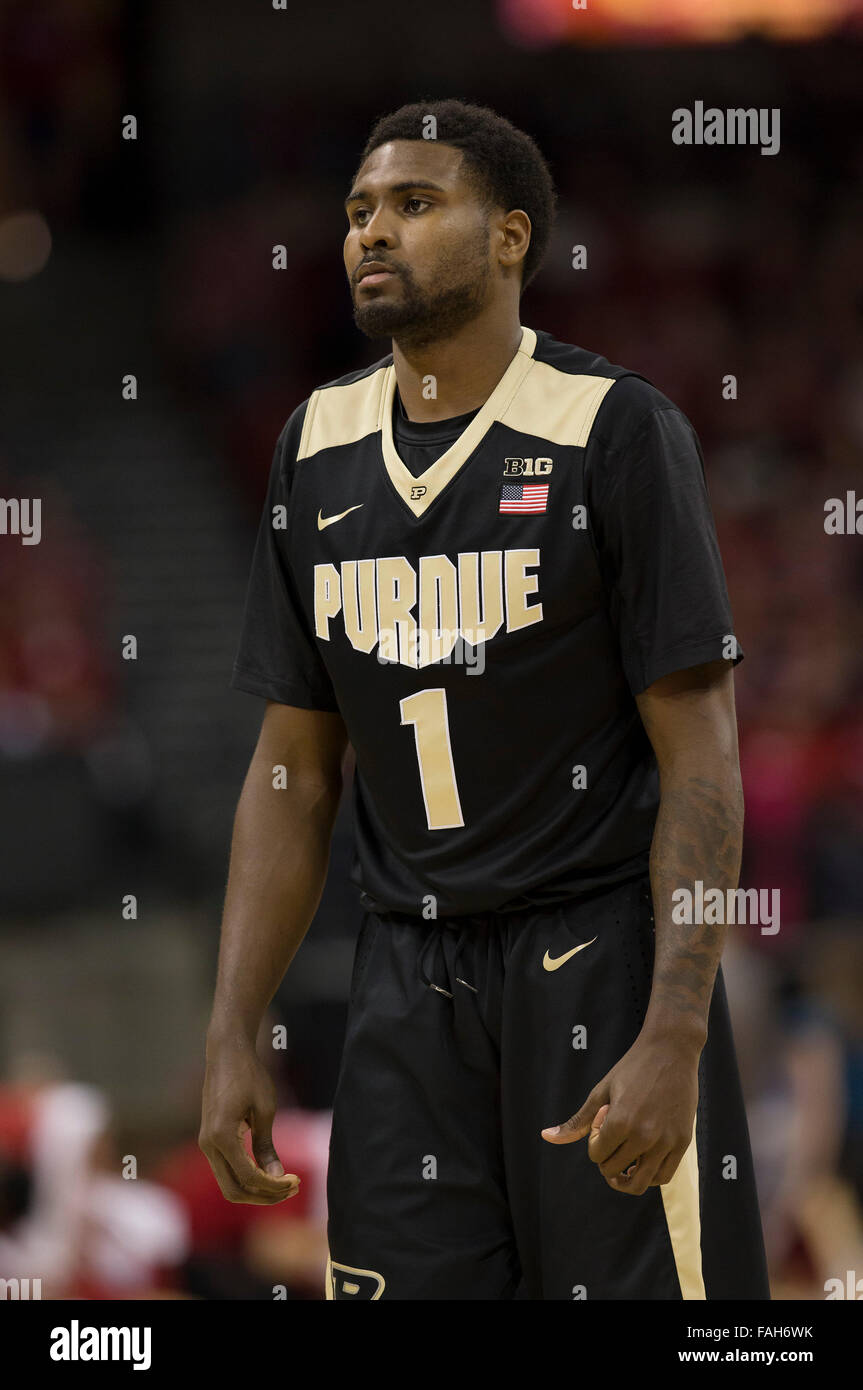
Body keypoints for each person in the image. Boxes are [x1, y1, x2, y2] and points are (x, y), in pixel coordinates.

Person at [199, 99, 769, 1301]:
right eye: (358, 210)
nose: (371, 232)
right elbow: (292, 767)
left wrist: (673, 1029)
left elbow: (701, 758)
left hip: (596, 959)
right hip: (404, 976)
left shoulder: (611, 430)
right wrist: (234, 1024)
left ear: (509, 236)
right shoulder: (314, 445)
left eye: (413, 204)